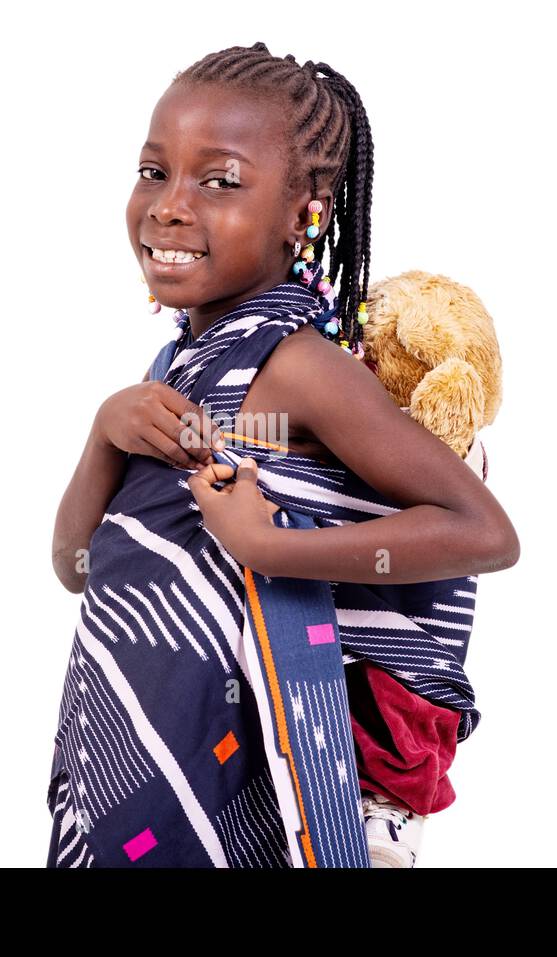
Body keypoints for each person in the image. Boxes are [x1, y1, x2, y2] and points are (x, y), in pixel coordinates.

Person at [46, 42, 519, 868]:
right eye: (154, 171)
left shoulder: (299, 365)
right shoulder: (177, 371)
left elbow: (482, 530)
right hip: (122, 769)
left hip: (237, 794)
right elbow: (76, 566)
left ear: (308, 213)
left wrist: (269, 547)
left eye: (219, 180)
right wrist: (103, 430)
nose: (168, 205)